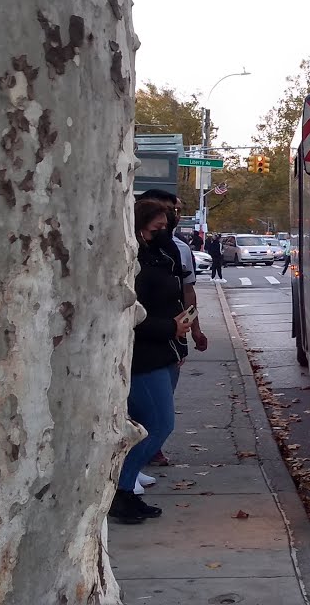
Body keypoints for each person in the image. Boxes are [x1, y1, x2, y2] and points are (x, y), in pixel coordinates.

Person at [112, 199, 191, 524]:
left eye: (165, 228)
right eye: (156, 228)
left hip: (163, 350)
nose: (161, 233)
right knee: (158, 425)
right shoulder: (132, 261)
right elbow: (130, 312)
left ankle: (126, 489)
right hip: (144, 355)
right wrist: (171, 327)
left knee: (149, 425)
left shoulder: (160, 255)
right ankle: (120, 489)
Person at [135, 190, 206, 468]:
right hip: (146, 348)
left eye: (175, 213)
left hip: (170, 342)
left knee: (160, 411)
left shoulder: (175, 250)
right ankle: (128, 477)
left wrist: (191, 331)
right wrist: (169, 328)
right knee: (157, 418)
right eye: (161, 222)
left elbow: (186, 292)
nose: (172, 219)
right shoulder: (138, 257)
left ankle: (142, 463)